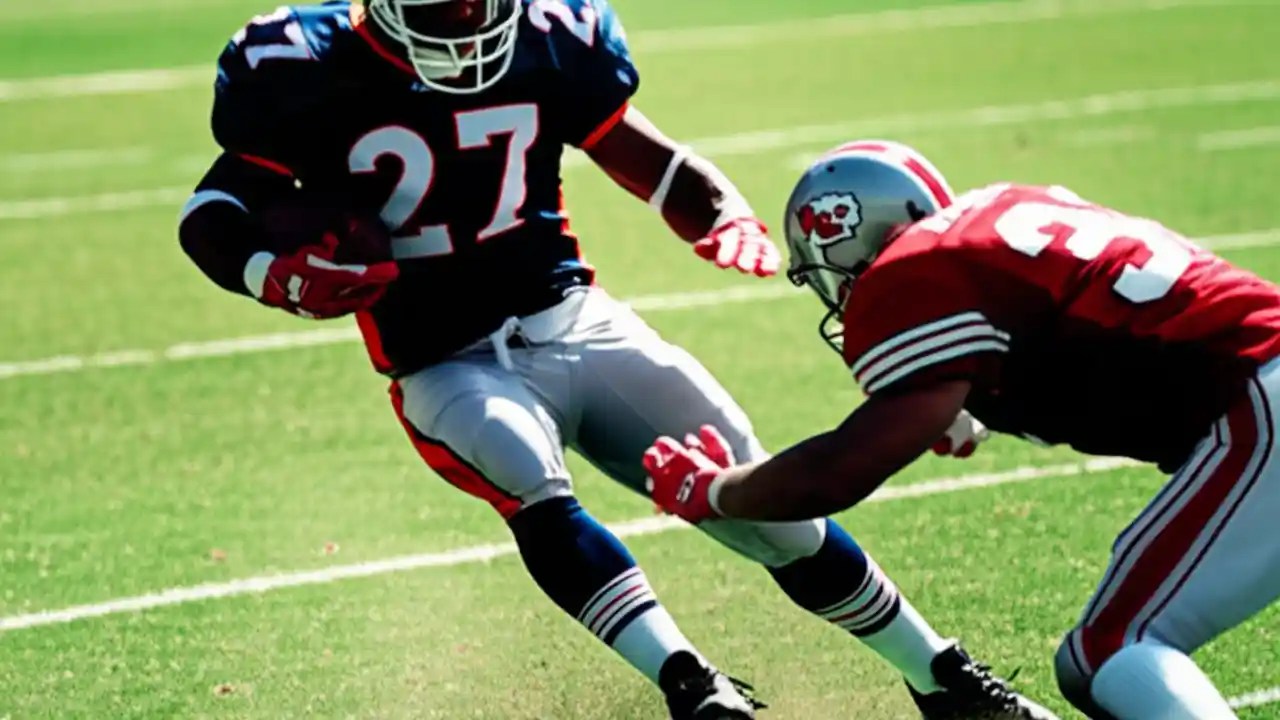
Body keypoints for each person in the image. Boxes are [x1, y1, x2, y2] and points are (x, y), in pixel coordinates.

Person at [177, 2, 1044, 716]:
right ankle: (694, 688)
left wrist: (714, 212)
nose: (470, 18)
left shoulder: (557, 36)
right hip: (444, 358)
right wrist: (269, 271)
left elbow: (646, 156)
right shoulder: (298, 57)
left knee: (755, 492)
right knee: (524, 470)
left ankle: (941, 676)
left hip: (572, 318)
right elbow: (213, 209)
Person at [643, 138, 1280, 719]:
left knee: (1109, 651)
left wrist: (717, 490)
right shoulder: (1005, 209)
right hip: (1258, 380)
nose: (842, 297)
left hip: (1259, 400)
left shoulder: (909, 272)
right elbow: (1100, 337)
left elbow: (838, 471)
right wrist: (977, 402)